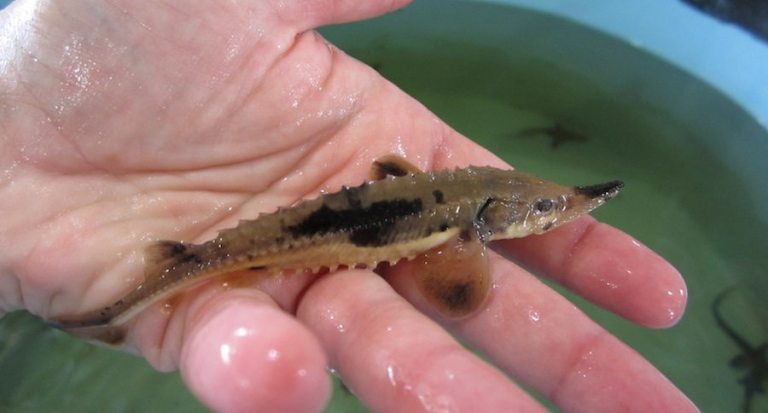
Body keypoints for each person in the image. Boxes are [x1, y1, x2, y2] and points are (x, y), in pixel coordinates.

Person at [0, 1, 698, 412]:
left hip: (346, 222)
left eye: (545, 209)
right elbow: (457, 292)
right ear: (488, 215)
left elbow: (391, 173)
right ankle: (113, 312)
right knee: (200, 273)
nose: (553, 215)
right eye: (543, 210)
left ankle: (110, 310)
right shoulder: (465, 232)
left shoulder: (458, 197)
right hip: (291, 239)